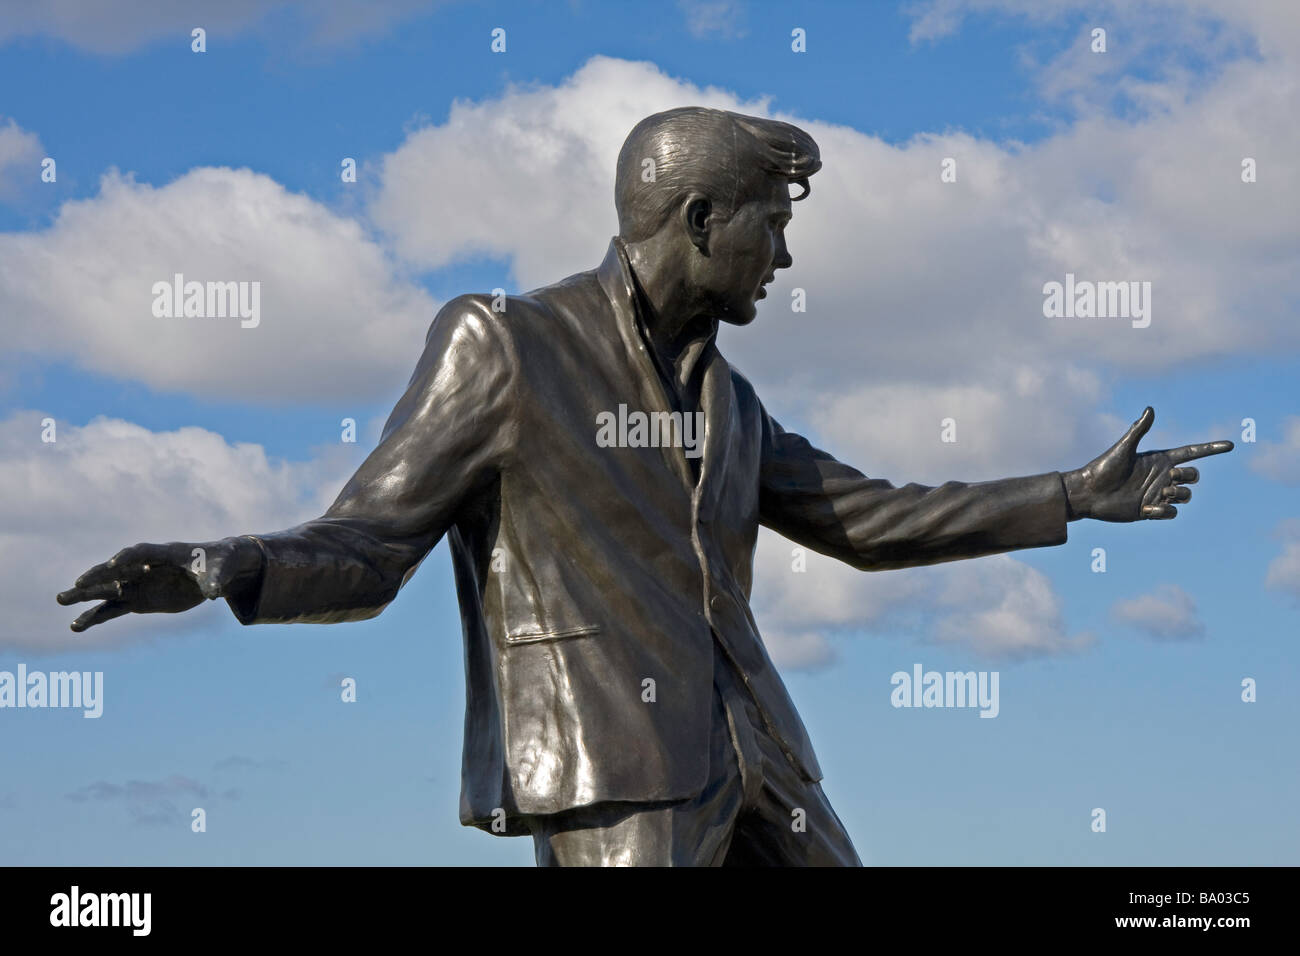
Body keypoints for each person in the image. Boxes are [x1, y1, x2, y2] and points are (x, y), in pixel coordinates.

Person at [57, 107, 1233, 866]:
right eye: (770, 228)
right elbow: (370, 542)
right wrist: (226, 565)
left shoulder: (731, 399)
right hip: (613, 773)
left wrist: (1069, 497)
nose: (784, 256)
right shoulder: (509, 345)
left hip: (764, 761)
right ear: (700, 219)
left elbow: (870, 519)